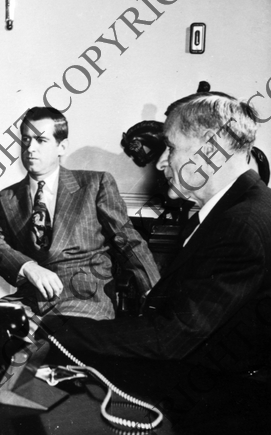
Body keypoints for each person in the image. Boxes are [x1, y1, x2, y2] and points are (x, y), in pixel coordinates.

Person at [40, 93, 271, 372]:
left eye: (171, 148)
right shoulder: (246, 207)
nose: (161, 163)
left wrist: (53, 329)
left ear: (210, 151)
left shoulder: (239, 225)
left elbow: (170, 339)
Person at [0, 106, 160, 320]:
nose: (30, 148)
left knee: (50, 343)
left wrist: (155, 292)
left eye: (41, 140)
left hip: (83, 299)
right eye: (26, 140)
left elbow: (127, 240)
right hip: (28, 301)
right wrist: (28, 267)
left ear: (61, 146)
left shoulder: (95, 184)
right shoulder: (4, 199)